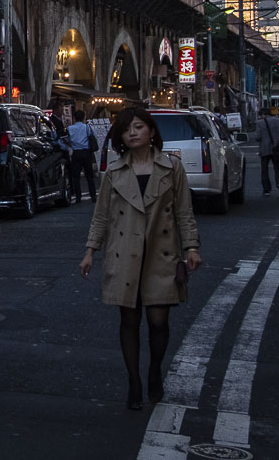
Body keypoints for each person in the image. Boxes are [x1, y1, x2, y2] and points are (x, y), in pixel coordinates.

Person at [79, 105, 202, 410]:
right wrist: (90, 251)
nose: (131, 133)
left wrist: (191, 247)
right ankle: (134, 381)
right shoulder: (115, 171)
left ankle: (154, 370)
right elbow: (102, 216)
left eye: (137, 127)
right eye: (125, 129)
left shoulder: (172, 168)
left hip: (161, 254)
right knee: (129, 320)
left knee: (158, 321)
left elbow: (185, 211)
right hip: (124, 254)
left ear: (151, 131)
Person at [67, 107, 99, 202]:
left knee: (76, 177)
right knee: (89, 176)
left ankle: (78, 197)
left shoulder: (70, 128)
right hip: (86, 153)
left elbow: (66, 140)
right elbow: (95, 138)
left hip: (76, 153)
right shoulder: (87, 127)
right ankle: (93, 196)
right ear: (83, 117)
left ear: (74, 118)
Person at [255, 107, 279, 196]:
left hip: (264, 148)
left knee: (264, 169)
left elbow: (258, 137)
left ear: (263, 114)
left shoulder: (259, 123)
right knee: (278, 168)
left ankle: (266, 189)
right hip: (277, 148)